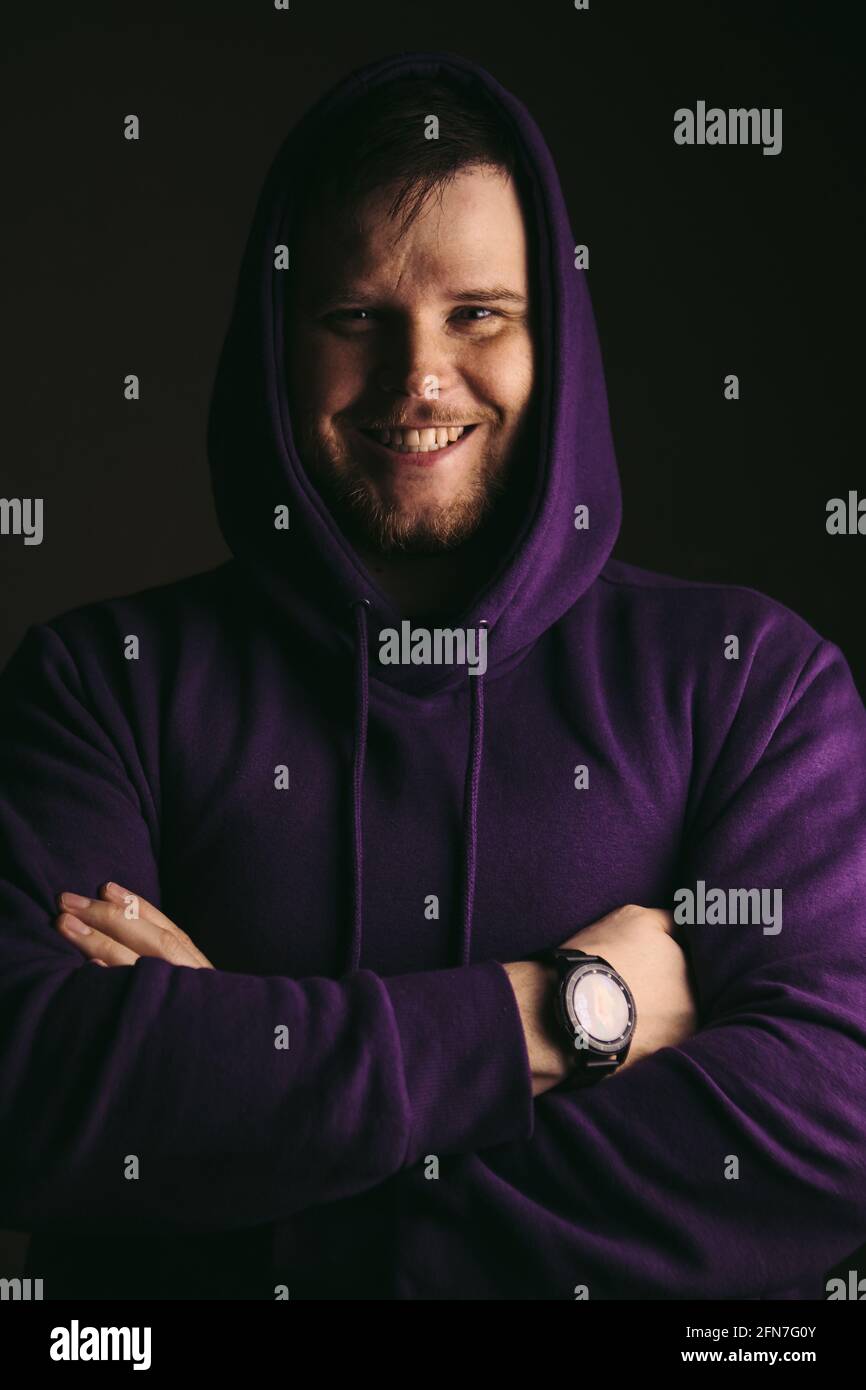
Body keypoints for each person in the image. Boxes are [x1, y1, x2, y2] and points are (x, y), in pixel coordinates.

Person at [1, 50, 865, 1301]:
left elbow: (824, 1132)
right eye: (357, 317)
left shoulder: (751, 685)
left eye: (478, 315)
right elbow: (30, 1088)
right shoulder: (101, 686)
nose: (418, 377)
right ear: (279, 346)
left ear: (548, 341)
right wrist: (554, 1016)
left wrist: (244, 1135)